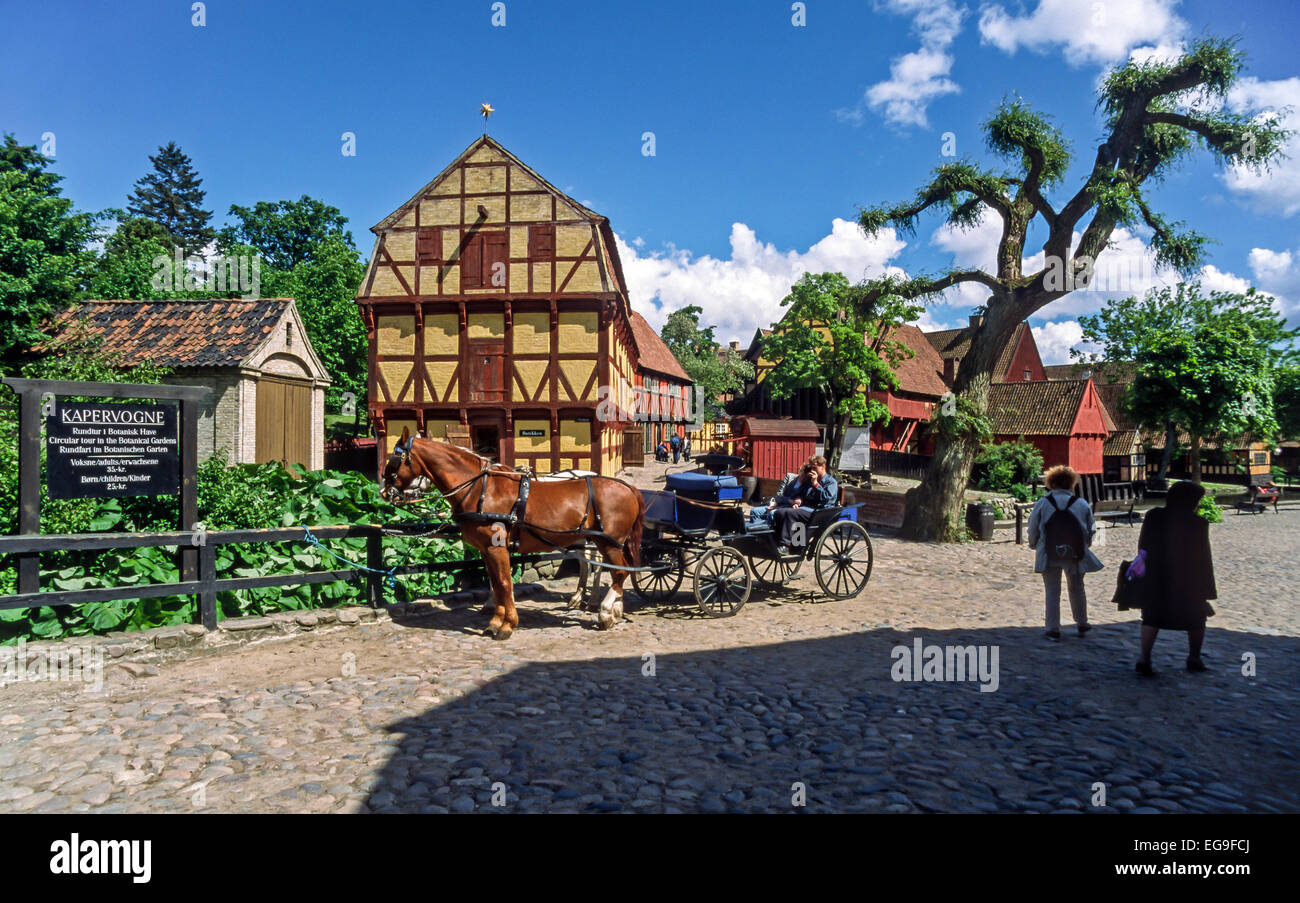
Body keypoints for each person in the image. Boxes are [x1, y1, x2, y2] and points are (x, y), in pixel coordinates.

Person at [1132, 479, 1217, 676]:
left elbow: (1142, 544)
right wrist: (1206, 587)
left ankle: (1144, 658)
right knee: (1197, 618)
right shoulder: (1198, 523)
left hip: (1156, 573)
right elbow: (1203, 555)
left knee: (1152, 616)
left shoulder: (1154, 516)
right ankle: (1194, 657)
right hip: (1188, 577)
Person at [1026, 464, 1103, 641]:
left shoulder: (1043, 503)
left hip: (1048, 552)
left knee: (1052, 590)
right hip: (1074, 553)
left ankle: (1053, 628)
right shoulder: (1082, 504)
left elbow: (1032, 528)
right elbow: (1091, 530)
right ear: (1071, 483)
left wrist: (1034, 545)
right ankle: (1082, 623)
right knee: (1077, 588)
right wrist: (1084, 546)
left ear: (1050, 483)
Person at [773, 456, 838, 554]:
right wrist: (799, 500)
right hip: (807, 508)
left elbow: (827, 498)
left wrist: (816, 484)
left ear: (823, 466)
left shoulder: (831, 482)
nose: (812, 470)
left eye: (815, 468)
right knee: (780, 512)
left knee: (791, 513)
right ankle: (791, 544)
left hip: (820, 511)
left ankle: (786, 545)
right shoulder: (809, 480)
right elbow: (803, 493)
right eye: (811, 468)